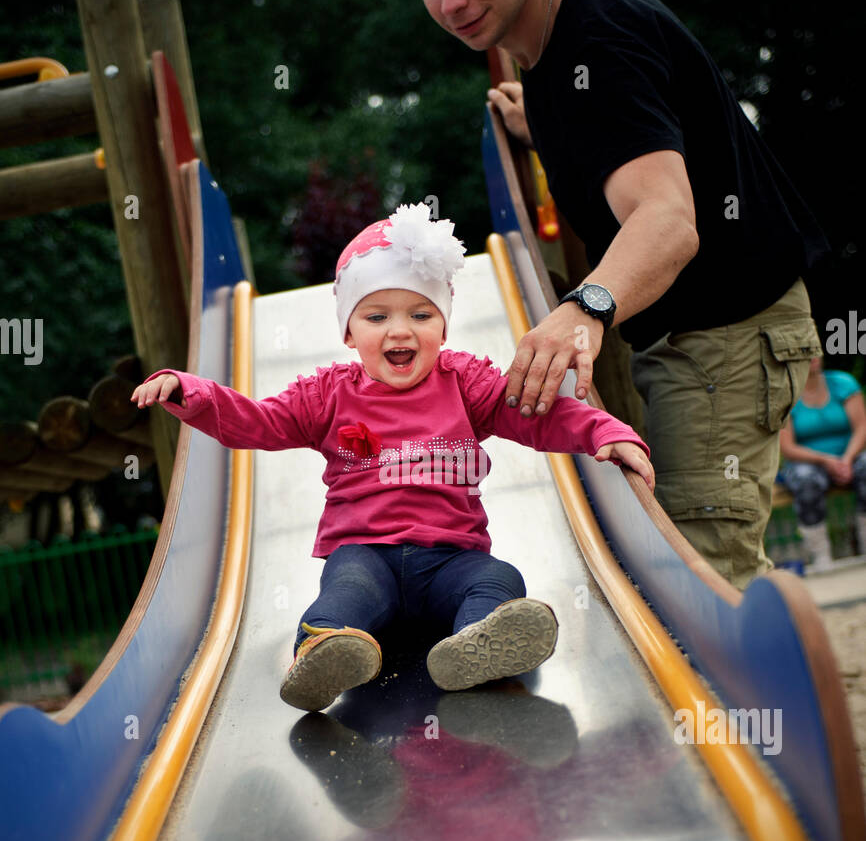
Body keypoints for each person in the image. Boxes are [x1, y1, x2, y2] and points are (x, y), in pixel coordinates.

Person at [397, 0, 827, 590]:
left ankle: (771, 702)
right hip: (700, 332)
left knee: (705, 579)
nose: (453, 3)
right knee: (683, 569)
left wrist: (586, 308)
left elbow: (668, 220)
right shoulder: (557, 47)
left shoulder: (598, 42)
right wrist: (541, 124)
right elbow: (619, 134)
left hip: (728, 332)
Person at [131, 202, 654, 713]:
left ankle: (476, 644)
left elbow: (536, 412)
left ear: (443, 328)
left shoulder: (465, 383)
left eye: (421, 314)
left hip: (452, 558)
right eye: (377, 316)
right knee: (348, 593)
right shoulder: (328, 395)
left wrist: (604, 431)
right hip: (365, 554)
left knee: (499, 579)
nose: (400, 330)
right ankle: (324, 650)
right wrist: (191, 394)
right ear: (349, 331)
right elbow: (258, 421)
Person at [778, 358, 866, 570]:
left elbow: (862, 428)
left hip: (848, 456)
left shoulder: (843, 383)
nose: (812, 358)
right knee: (806, 480)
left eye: (815, 351)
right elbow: (787, 447)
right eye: (804, 353)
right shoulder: (785, 393)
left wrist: (845, 459)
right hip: (806, 461)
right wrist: (828, 460)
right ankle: (821, 557)